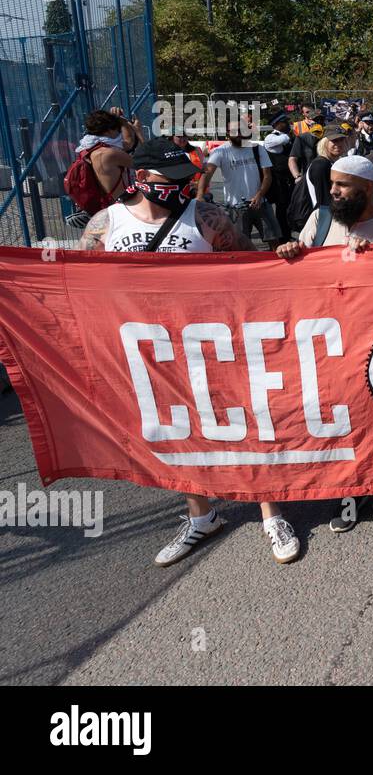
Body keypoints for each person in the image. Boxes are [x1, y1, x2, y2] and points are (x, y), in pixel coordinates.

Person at [81, 138, 300, 565]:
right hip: (150, 354)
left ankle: (270, 512)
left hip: (213, 345)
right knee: (177, 434)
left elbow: (254, 271)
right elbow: (80, 286)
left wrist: (286, 257)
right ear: (140, 178)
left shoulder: (206, 216)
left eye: (187, 179)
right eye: (173, 179)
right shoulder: (105, 225)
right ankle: (200, 516)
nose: (183, 187)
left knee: (248, 423)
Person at [274, 156, 373, 532]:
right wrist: (290, 254)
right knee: (339, 421)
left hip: (372, 344)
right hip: (326, 344)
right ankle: (348, 490)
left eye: (342, 185)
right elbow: (302, 272)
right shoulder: (319, 221)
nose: (332, 191)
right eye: (332, 183)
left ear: (366, 189)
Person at [197, 127, 280, 249]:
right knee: (240, 247)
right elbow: (207, 174)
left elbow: (267, 176)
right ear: (228, 134)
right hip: (236, 208)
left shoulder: (257, 148)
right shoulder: (220, 152)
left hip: (261, 204)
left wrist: (259, 195)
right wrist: (199, 196)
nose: (239, 134)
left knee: (274, 242)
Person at [260, 112, 296, 243]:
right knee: (281, 209)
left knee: (288, 207)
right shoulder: (271, 137)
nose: (287, 124)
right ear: (276, 124)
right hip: (278, 180)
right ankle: (282, 236)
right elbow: (285, 140)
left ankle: (286, 233)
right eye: (284, 122)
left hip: (288, 179)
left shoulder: (285, 136)